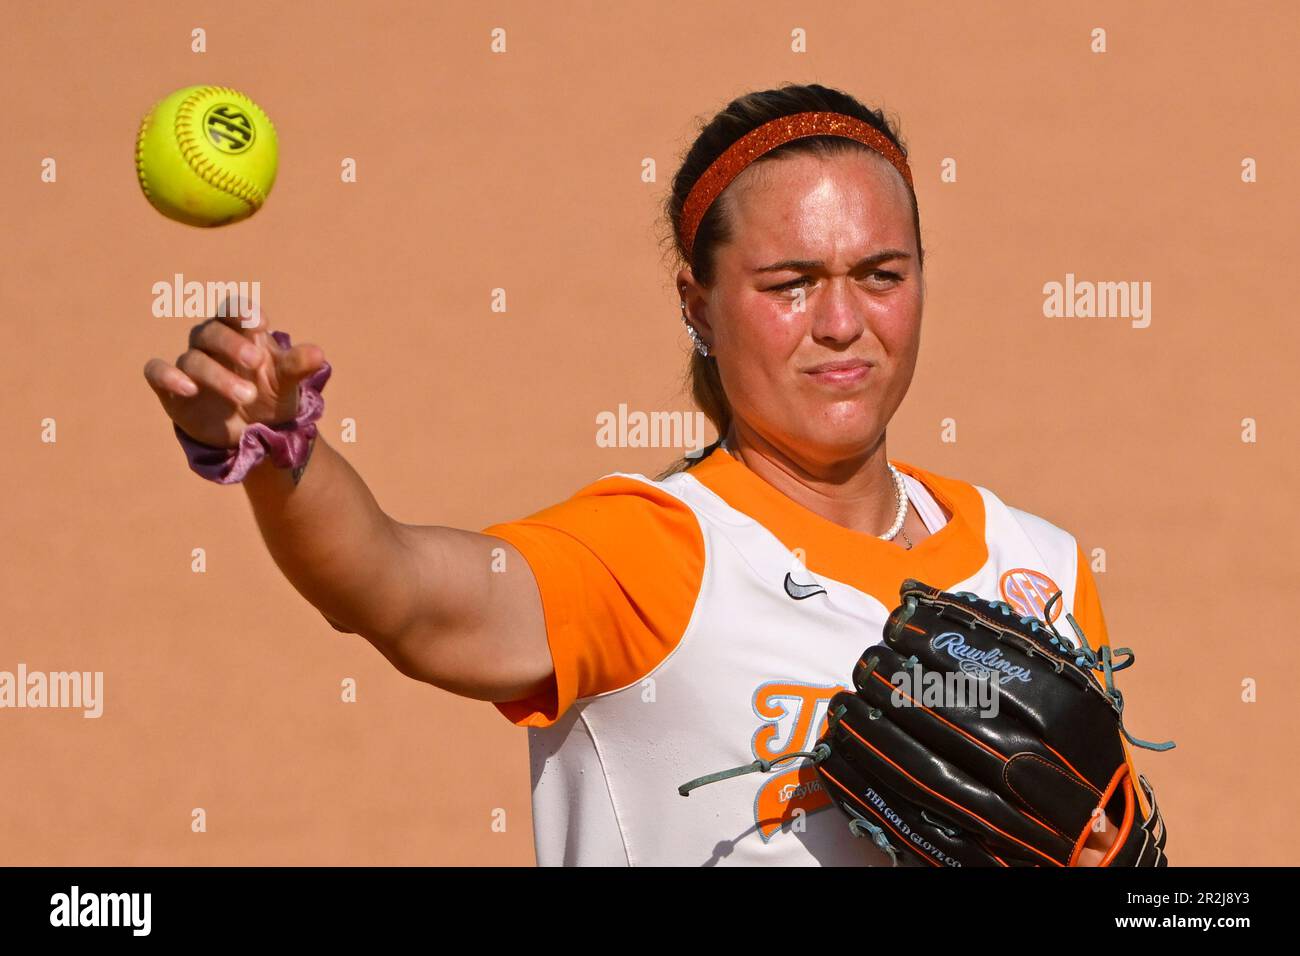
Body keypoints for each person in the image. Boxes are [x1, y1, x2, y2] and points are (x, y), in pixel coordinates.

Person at [143, 83, 1150, 866]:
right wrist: (280, 449)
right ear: (698, 305)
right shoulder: (655, 551)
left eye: (880, 274)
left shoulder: (1038, 563)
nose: (842, 323)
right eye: (788, 284)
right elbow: (396, 589)